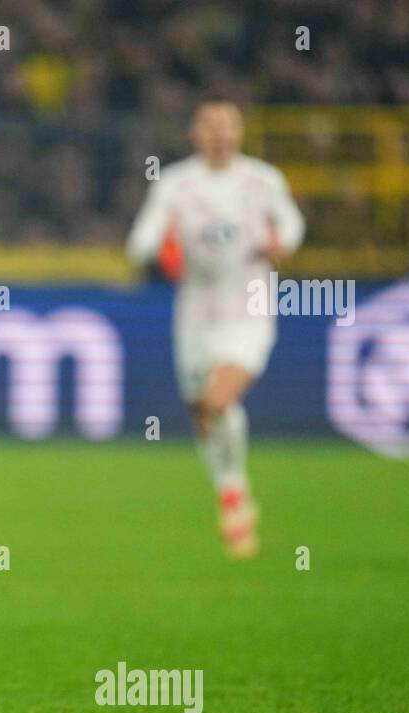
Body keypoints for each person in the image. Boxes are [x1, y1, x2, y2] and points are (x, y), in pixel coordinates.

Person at [127, 98, 305, 557]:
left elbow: (292, 223)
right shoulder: (176, 183)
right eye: (212, 127)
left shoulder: (263, 180)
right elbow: (140, 240)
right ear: (196, 133)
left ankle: (232, 493)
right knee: (202, 410)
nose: (221, 135)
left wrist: (280, 242)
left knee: (217, 397)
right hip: (194, 313)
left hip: (249, 307)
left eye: (229, 126)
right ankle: (233, 490)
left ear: (240, 132)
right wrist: (158, 248)